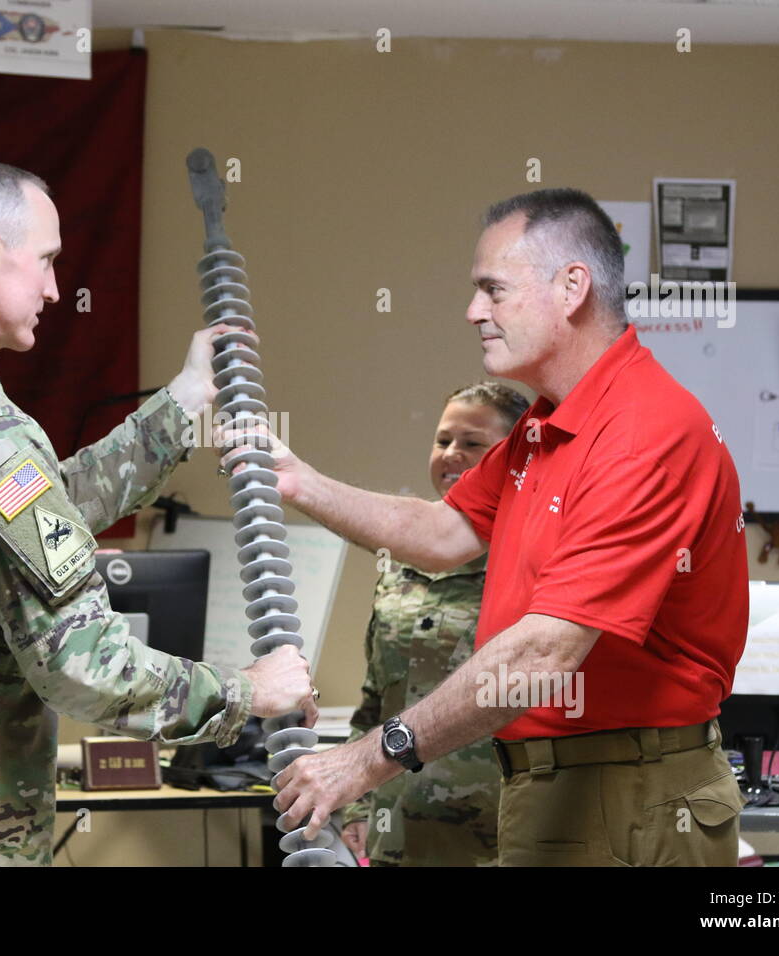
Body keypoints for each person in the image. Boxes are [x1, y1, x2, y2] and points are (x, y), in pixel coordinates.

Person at [0, 160, 315, 866]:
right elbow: (80, 664)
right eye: (46, 261)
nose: (53, 288)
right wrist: (241, 692)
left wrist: (183, 403)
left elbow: (23, 522)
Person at [246, 188, 748, 867]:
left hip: (630, 793)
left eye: (493, 290)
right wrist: (296, 480)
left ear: (572, 287)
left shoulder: (643, 431)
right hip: (548, 780)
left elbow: (544, 655)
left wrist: (369, 759)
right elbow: (442, 531)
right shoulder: (550, 423)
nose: (473, 312)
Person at [340, 382, 528, 867]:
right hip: (400, 830)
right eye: (443, 440)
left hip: (505, 833)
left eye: (472, 444)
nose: (451, 455)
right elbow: (378, 699)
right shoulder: (400, 566)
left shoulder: (530, 561)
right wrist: (359, 804)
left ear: (513, 456)